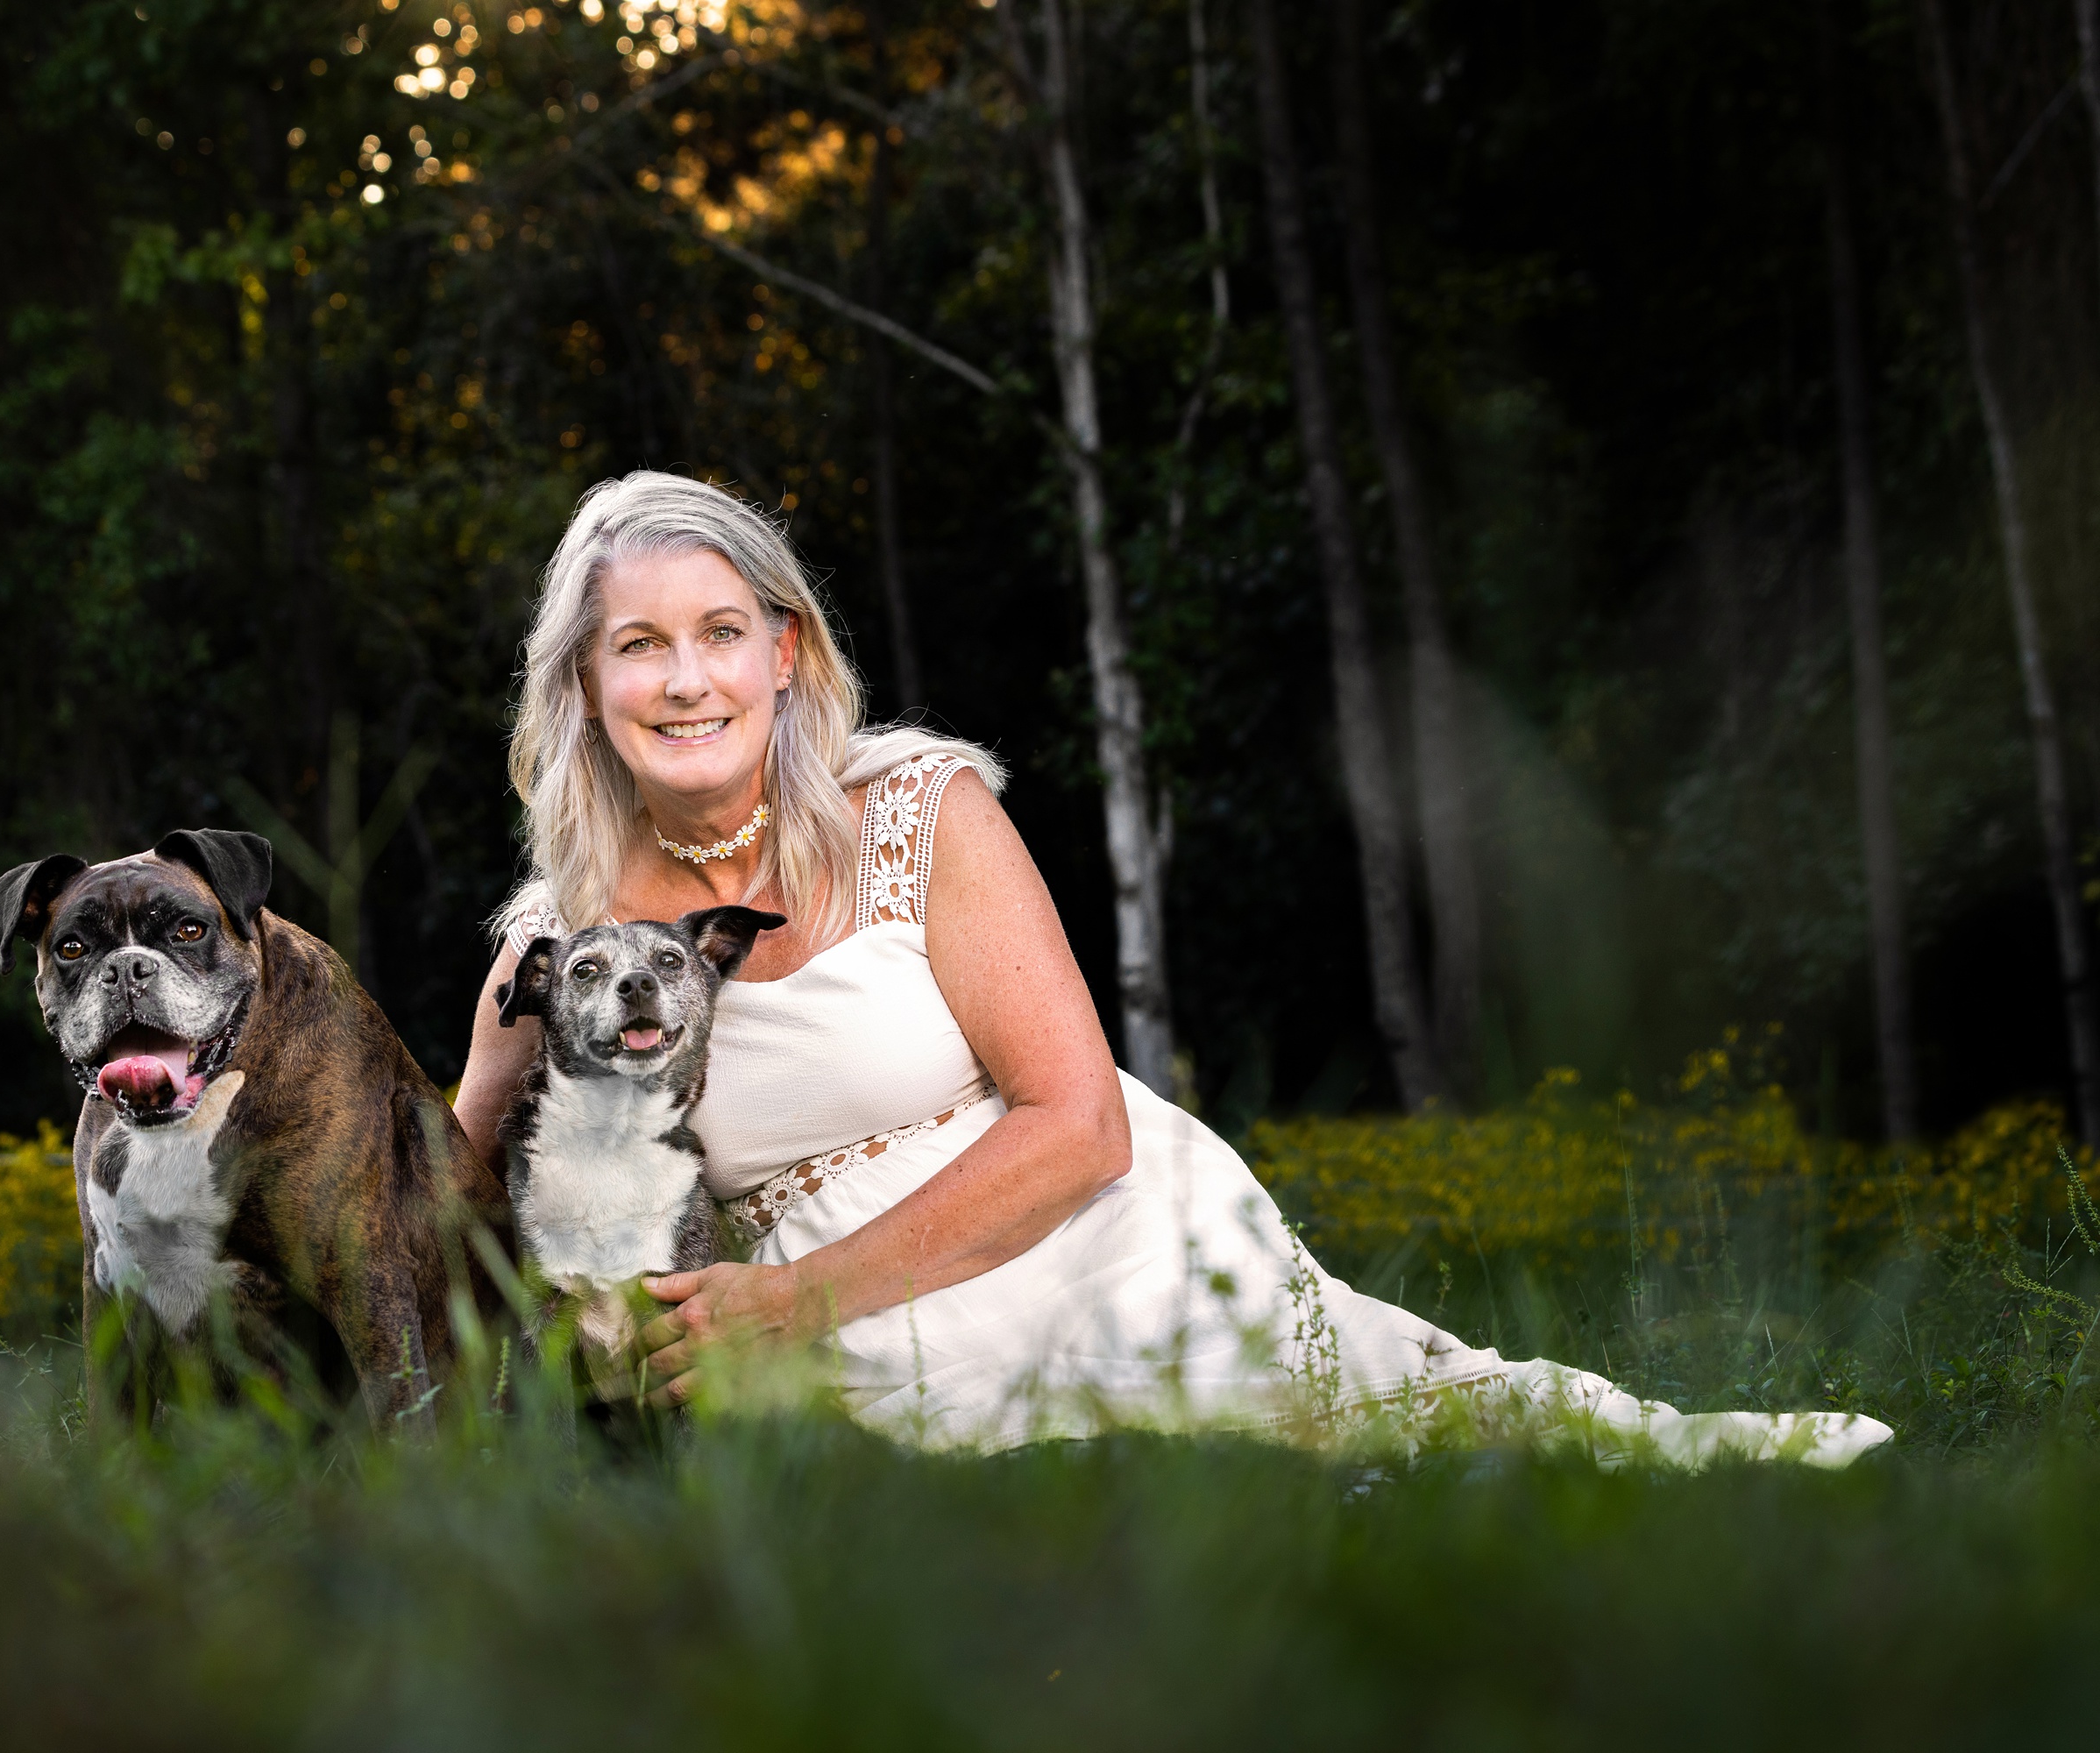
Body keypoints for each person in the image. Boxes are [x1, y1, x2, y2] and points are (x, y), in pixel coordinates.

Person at [452, 469, 1891, 1465]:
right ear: (584, 683)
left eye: (719, 634)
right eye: (638, 647)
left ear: (786, 651)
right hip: (832, 1339)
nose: (685, 679)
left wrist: (795, 1300)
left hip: (1078, 1232)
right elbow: (444, 1192)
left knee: (1371, 1442)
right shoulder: (563, 946)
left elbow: (1078, 1124)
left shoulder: (919, 813)